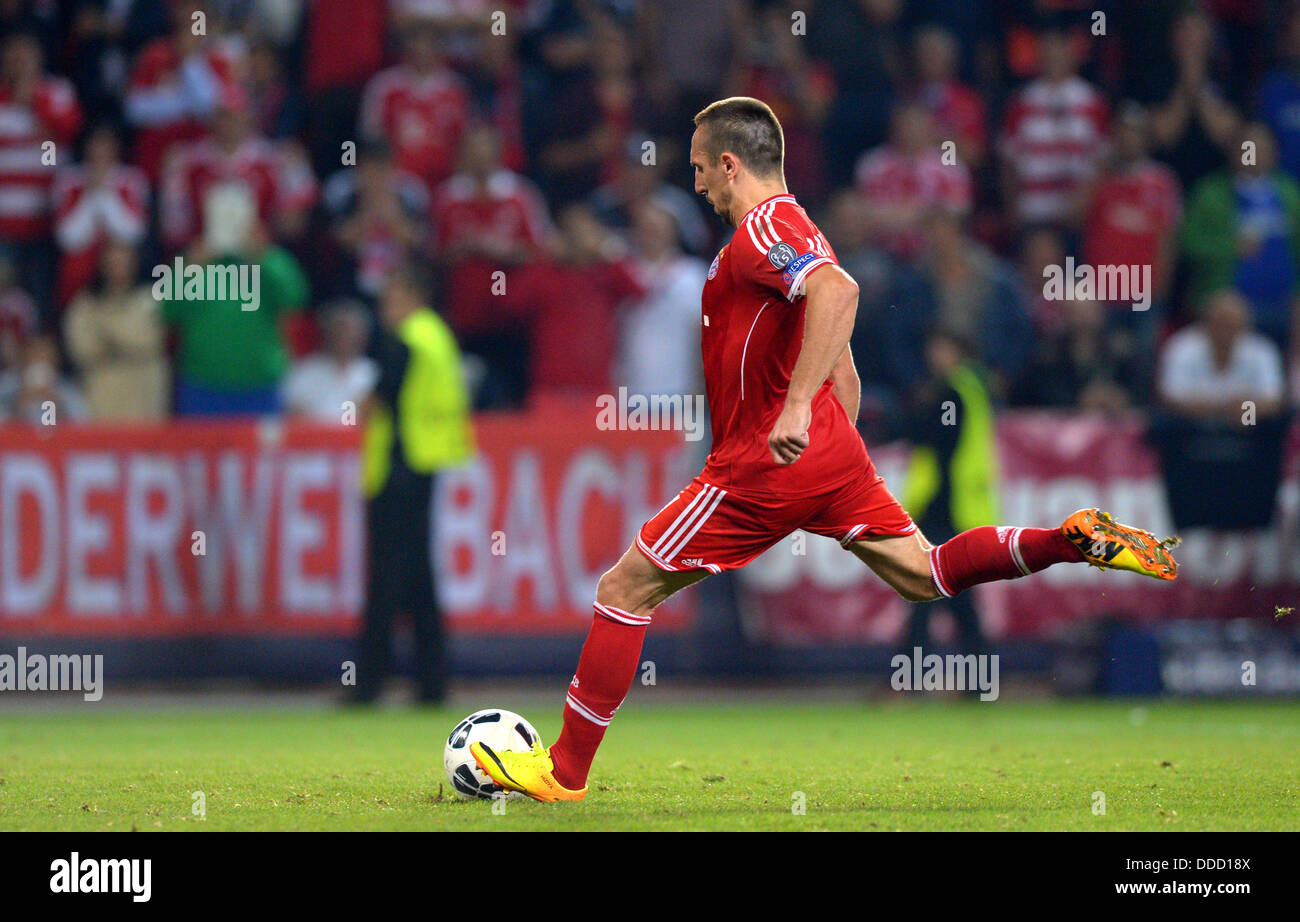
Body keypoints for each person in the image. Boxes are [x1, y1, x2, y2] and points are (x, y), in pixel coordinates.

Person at [467, 97, 1181, 803]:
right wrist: (833, 433)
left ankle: (563, 773)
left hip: (763, 463)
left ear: (729, 163)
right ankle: (1070, 538)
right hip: (826, 455)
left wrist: (800, 408)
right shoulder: (800, 228)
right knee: (923, 574)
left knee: (624, 589)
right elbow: (836, 339)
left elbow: (839, 294)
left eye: (698, 170)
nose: (695, 186)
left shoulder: (763, 231)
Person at [353, 262, 475, 705]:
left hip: (398, 467)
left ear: (408, 296)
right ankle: (432, 682)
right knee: (420, 578)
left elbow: (378, 400)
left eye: (389, 299)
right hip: (425, 464)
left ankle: (368, 683)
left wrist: (362, 404)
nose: (384, 309)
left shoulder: (406, 338)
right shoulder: (437, 336)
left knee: (386, 578)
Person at [63, 240, 168, 420]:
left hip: (143, 392)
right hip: (102, 391)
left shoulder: (151, 299)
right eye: (112, 263)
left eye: (123, 262)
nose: (118, 268)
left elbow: (151, 342)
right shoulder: (86, 304)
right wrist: (128, 341)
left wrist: (108, 335)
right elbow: (82, 349)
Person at [281, 299, 379, 422]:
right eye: (340, 331)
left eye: (352, 332)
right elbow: (292, 415)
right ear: (327, 332)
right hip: (315, 438)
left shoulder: (372, 372)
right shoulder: (304, 371)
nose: (346, 338)